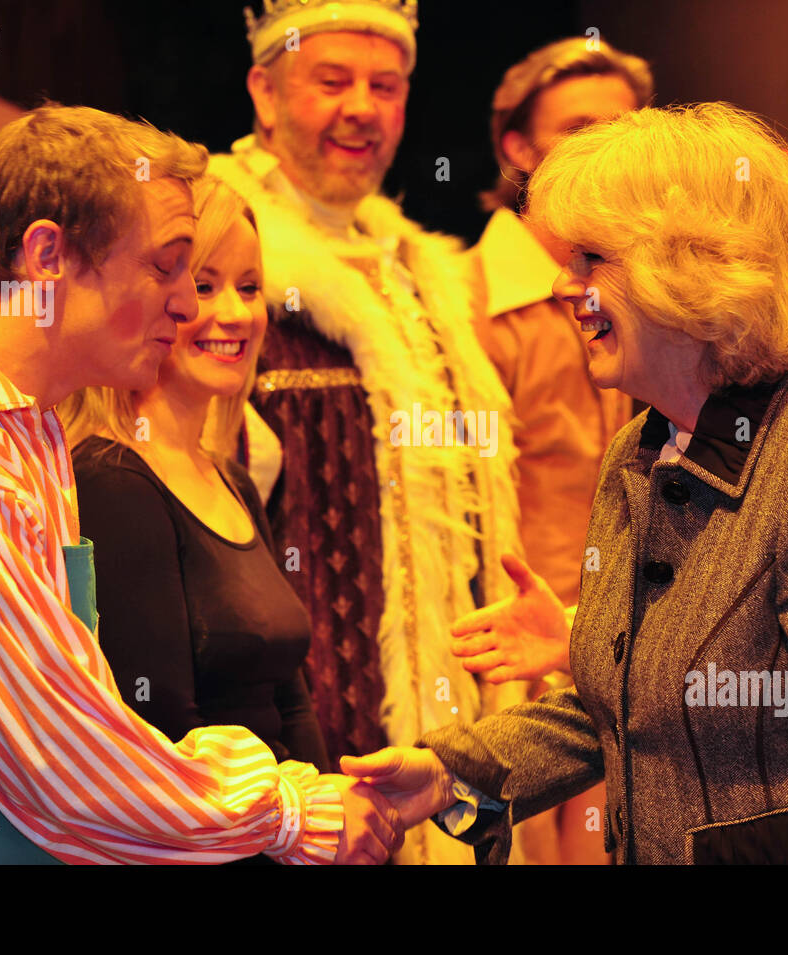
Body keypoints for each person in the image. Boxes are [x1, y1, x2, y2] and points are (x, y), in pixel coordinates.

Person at [342, 104, 788, 865]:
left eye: (590, 260)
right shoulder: (639, 451)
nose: (560, 284)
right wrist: (451, 771)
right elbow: (623, 704)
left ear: (693, 271)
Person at [0, 105, 401, 864]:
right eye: (165, 265)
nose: (185, 305)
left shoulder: (12, 429)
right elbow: (58, 760)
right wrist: (291, 810)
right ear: (48, 255)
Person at [212, 0, 523, 864]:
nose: (361, 108)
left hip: (453, 718)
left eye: (384, 86)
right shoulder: (219, 262)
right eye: (331, 81)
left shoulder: (422, 271)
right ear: (264, 94)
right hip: (301, 732)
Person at [60, 175, 331, 830]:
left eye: (249, 286)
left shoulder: (232, 478)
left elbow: (291, 700)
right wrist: (305, 828)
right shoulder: (111, 479)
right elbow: (163, 734)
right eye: (204, 285)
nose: (234, 314)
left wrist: (335, 818)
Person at [464, 36, 652, 864]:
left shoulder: (658, 289)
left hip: (645, 655)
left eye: (628, 129)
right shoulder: (463, 301)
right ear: (517, 149)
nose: (610, 149)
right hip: (520, 667)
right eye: (582, 128)